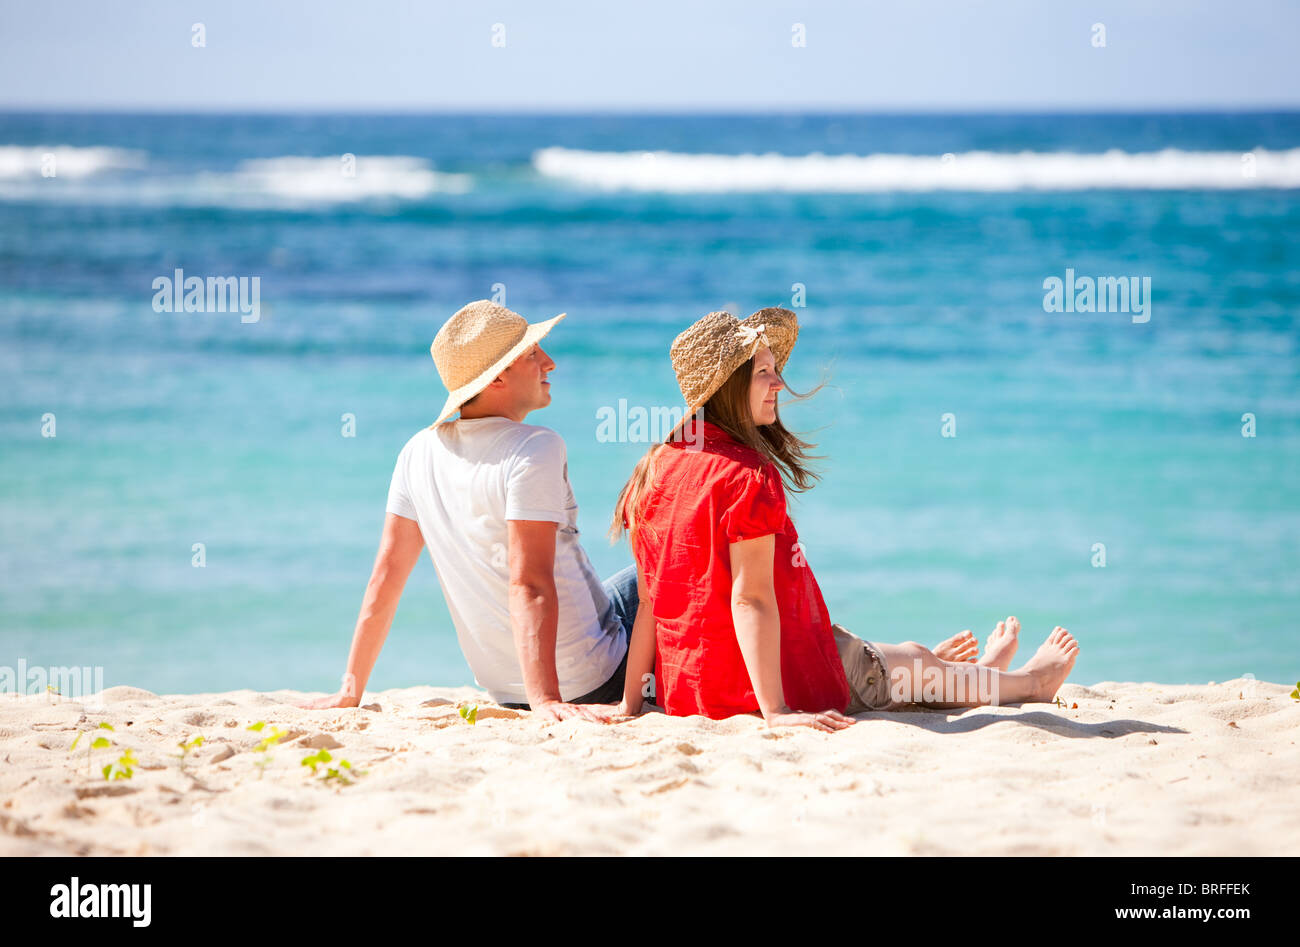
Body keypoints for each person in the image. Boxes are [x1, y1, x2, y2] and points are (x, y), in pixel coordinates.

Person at [611, 308, 1080, 731]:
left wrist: (631, 704)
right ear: (729, 387)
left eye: (775, 371)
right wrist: (775, 711)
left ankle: (979, 675)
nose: (778, 384)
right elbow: (749, 600)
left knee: (903, 663)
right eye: (763, 373)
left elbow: (652, 605)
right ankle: (1029, 684)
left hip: (692, 693)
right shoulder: (747, 476)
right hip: (771, 682)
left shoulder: (651, 470)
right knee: (907, 664)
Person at [299, 300, 636, 722]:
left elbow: (385, 577)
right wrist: (546, 702)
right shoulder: (535, 447)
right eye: (533, 354)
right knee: (674, 566)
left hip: (505, 689)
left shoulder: (418, 451)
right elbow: (529, 582)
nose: (550, 363)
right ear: (497, 376)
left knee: (620, 586)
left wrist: (350, 688)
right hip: (590, 680)